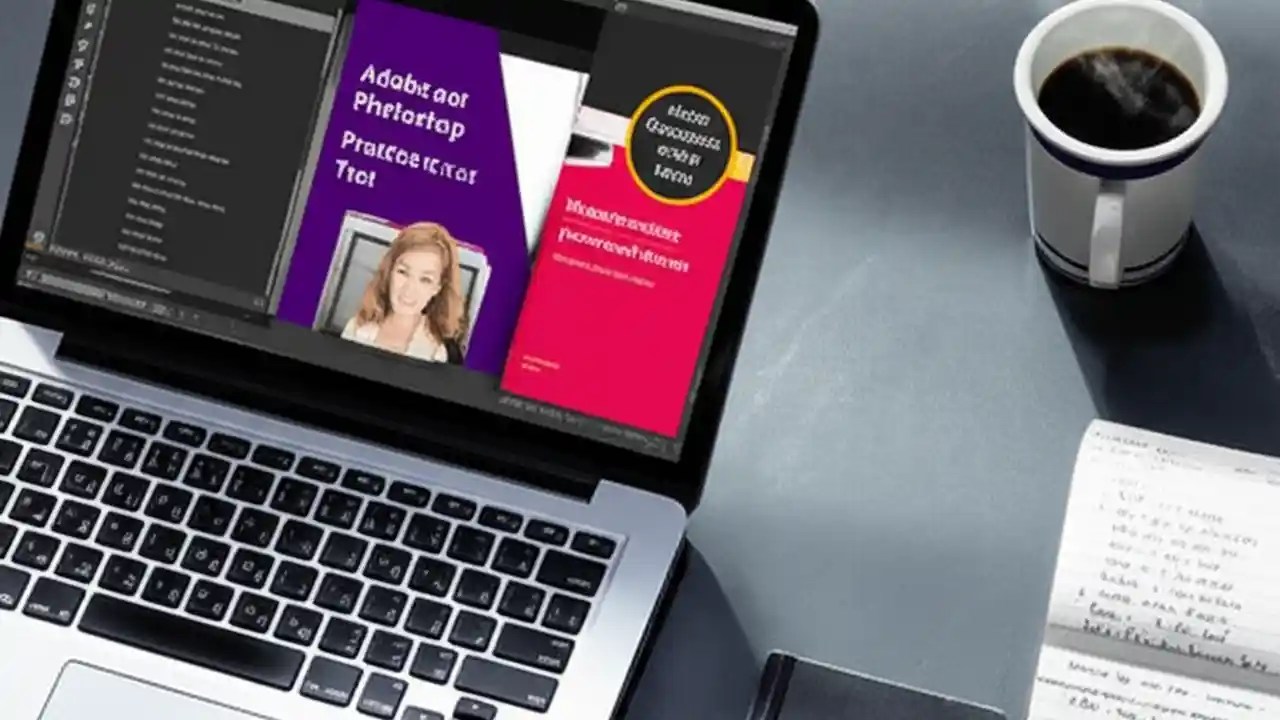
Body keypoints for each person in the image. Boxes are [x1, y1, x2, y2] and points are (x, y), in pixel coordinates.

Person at [342, 222, 468, 364]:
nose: (409, 289)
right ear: (390, 271)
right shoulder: (356, 328)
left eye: (425, 280)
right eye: (403, 272)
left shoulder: (440, 352)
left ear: (437, 288)